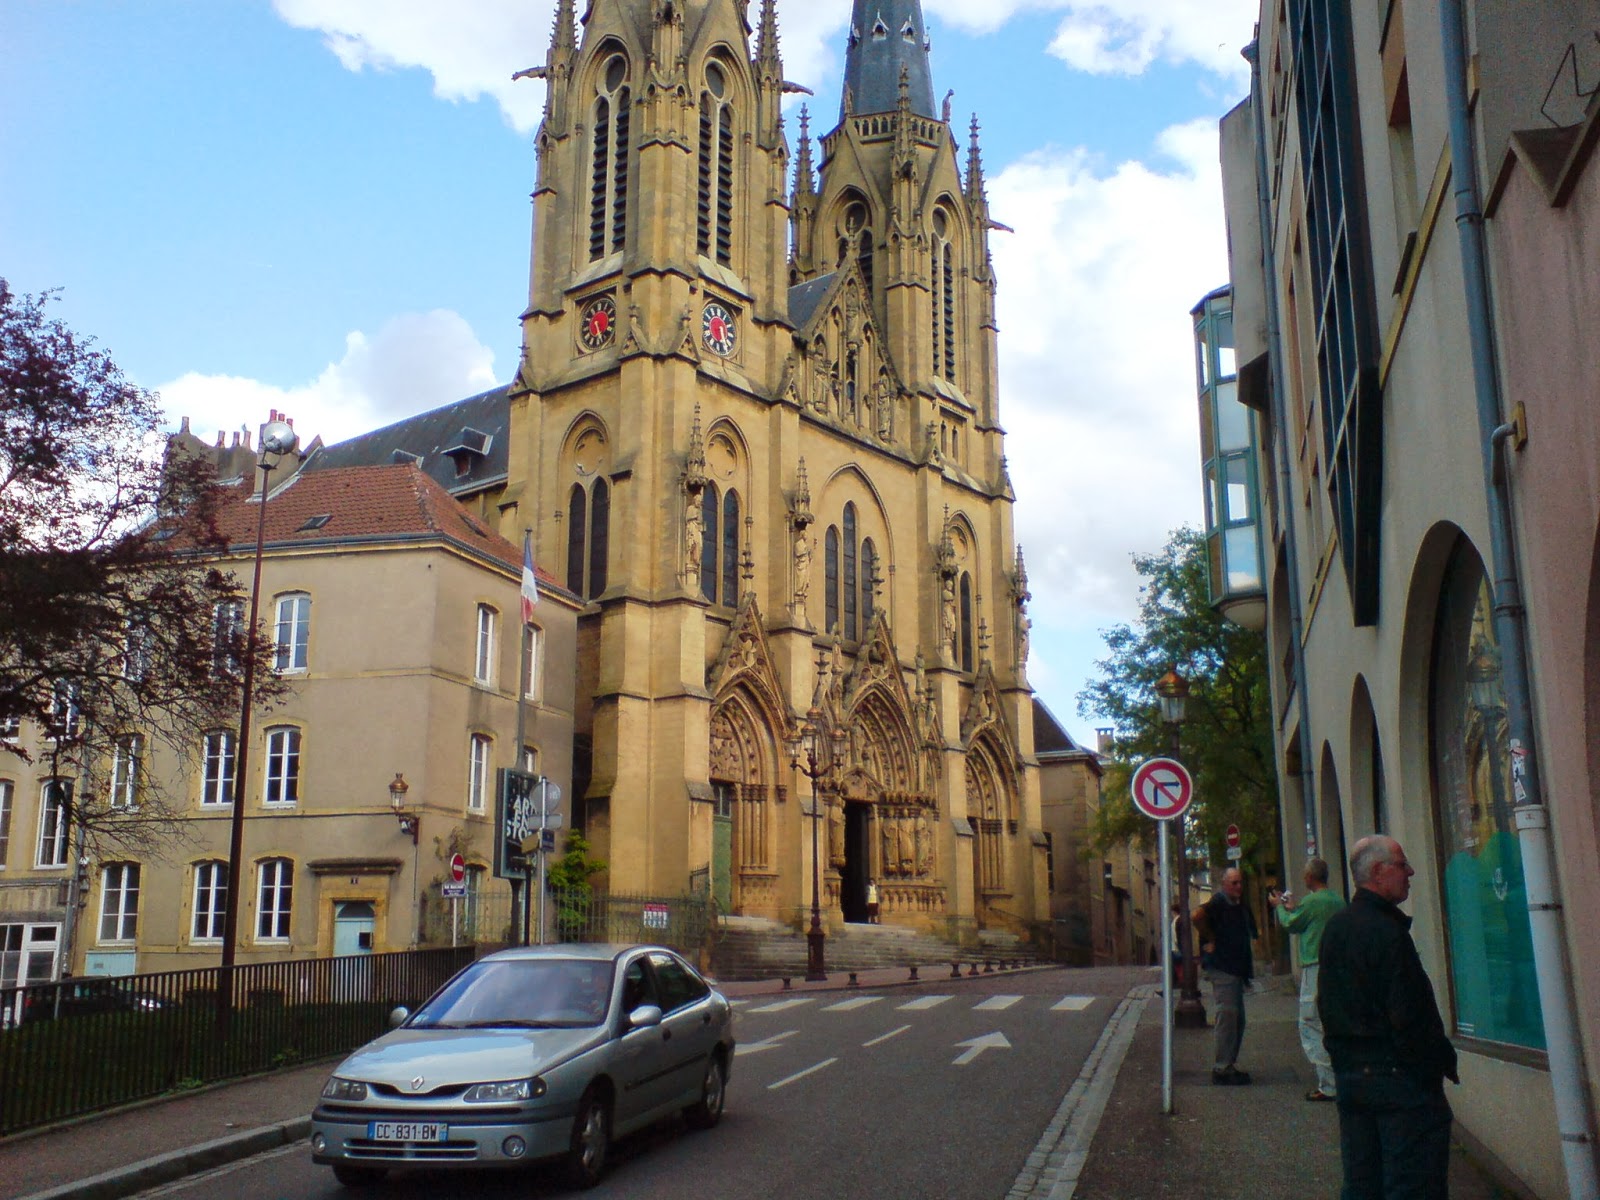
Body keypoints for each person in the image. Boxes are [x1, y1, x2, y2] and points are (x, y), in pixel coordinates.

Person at [1319, 836, 1458, 1199]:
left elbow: (1327, 1004)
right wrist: (1429, 1068)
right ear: (1379, 872)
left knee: (1363, 1184)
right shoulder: (1387, 932)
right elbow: (1409, 1014)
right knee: (1412, 1184)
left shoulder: (1338, 928)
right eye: (1402, 864)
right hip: (1399, 1081)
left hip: (1353, 1076)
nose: (1410, 872)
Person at [1270, 857, 1345, 1102]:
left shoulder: (1312, 902)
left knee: (1311, 1022)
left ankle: (1329, 1084)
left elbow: (1292, 923)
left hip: (1314, 965)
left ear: (1310, 877)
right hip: (1337, 967)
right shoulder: (1337, 900)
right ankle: (1343, 1078)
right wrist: (1293, 906)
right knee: (1334, 1022)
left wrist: (1279, 907)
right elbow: (1306, 916)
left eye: (1305, 874)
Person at [1193, 866, 1257, 1085]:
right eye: (1234, 883)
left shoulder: (1236, 904)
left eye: (1240, 882)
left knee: (1237, 1019)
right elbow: (1197, 915)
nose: (1239, 887)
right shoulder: (1219, 902)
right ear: (1224, 884)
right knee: (1228, 1016)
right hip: (1223, 967)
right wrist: (1210, 939)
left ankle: (1228, 1064)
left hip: (1234, 968)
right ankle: (1222, 1067)